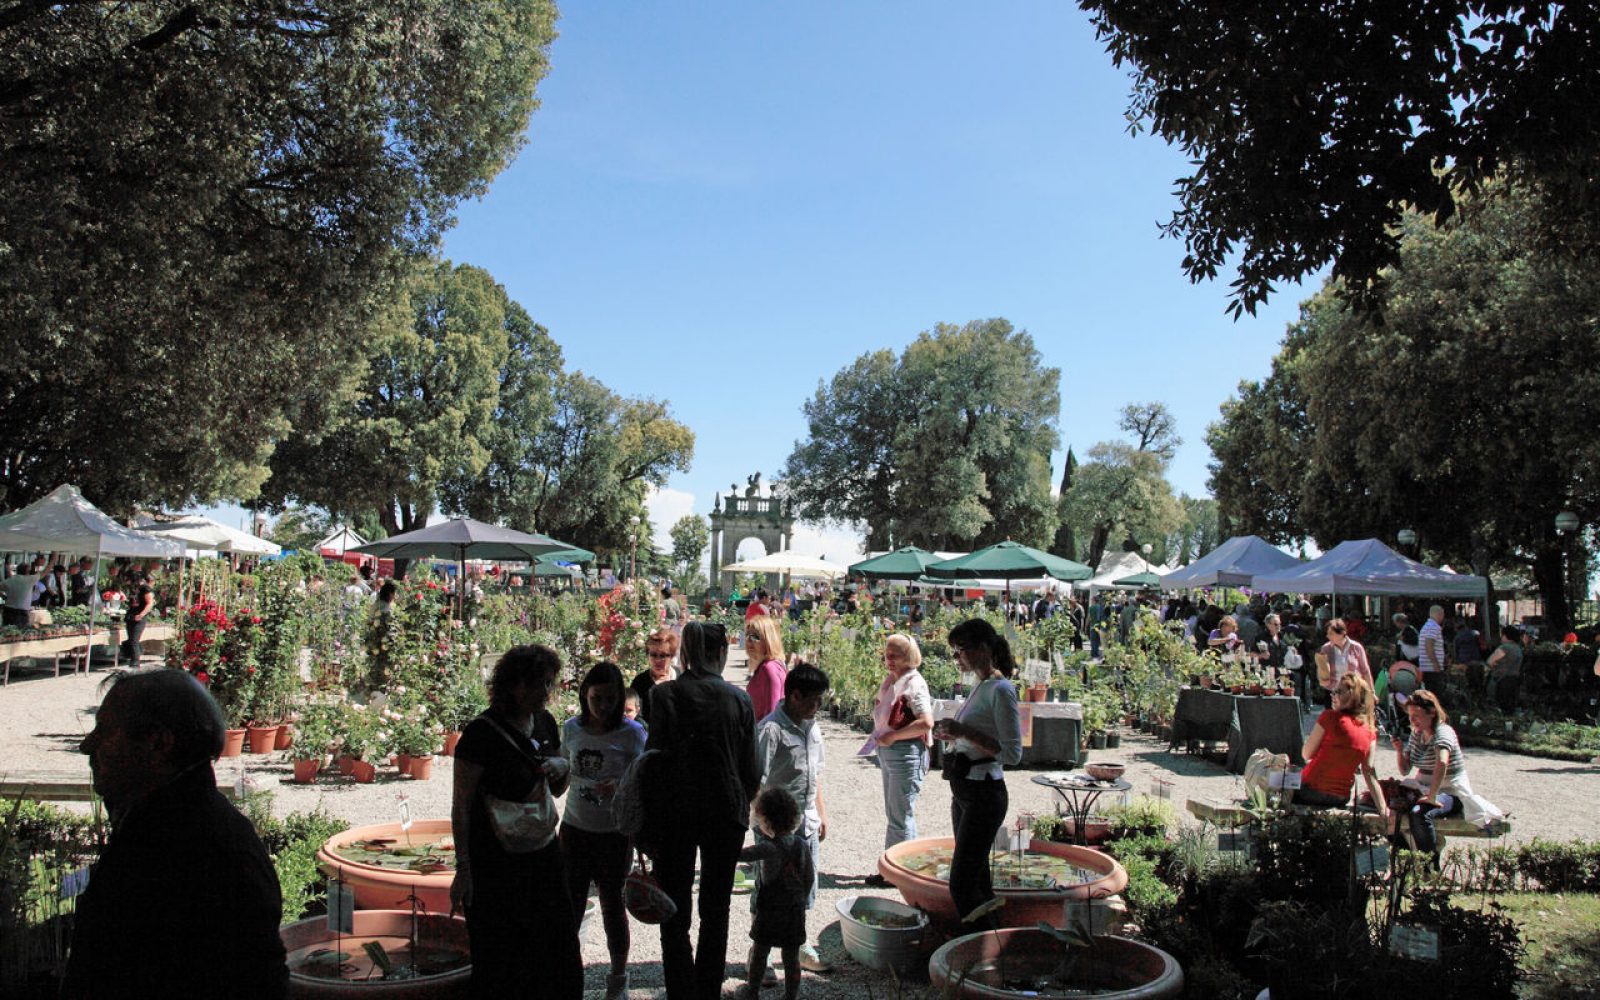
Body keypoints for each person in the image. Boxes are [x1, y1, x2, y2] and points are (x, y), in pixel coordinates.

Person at [66, 669, 288, 999]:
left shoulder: (182, 847)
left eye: (105, 730)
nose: (87, 745)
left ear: (159, 743)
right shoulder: (179, 824)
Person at [449, 644, 581, 998]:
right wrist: (464, 867)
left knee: (555, 943)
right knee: (501, 953)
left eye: (549, 684)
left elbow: (556, 789)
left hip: (542, 854)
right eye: (538, 684)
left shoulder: (545, 723)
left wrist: (562, 768)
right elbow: (461, 805)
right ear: (513, 685)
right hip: (495, 862)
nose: (546, 694)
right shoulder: (480, 734)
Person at [646, 621, 762, 1000]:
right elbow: (752, 766)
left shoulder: (663, 697)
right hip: (724, 811)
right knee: (717, 907)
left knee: (674, 908)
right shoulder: (738, 698)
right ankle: (708, 989)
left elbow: (654, 760)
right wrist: (741, 799)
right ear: (719, 653)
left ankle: (681, 989)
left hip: (674, 812)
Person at [562, 662, 647, 1000]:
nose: (603, 706)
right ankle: (569, 974)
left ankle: (618, 978)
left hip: (613, 833)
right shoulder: (570, 729)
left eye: (611, 699)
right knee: (571, 905)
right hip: (574, 829)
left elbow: (644, 778)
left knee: (613, 905)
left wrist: (623, 785)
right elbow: (561, 771)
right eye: (597, 698)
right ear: (585, 695)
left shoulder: (633, 733)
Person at [933, 618, 1023, 923]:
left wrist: (964, 731)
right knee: (978, 878)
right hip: (965, 788)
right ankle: (991, 942)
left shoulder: (1001, 689)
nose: (958, 658)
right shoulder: (981, 685)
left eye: (961, 650)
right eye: (955, 652)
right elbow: (975, 734)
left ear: (984, 648)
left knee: (961, 882)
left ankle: (978, 946)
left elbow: (1012, 753)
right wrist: (953, 734)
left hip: (985, 792)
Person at [753, 663, 832, 976]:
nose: (819, 707)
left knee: (802, 888)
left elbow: (816, 773)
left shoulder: (812, 727)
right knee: (768, 888)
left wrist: (821, 813)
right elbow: (756, 784)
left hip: (807, 822)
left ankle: (799, 944)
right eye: (814, 700)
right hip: (776, 826)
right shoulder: (771, 730)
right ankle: (761, 952)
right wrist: (766, 829)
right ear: (795, 695)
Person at [1389, 689, 1500, 856]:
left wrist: (1432, 796)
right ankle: (1407, 858)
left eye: (1416, 715)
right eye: (1410, 715)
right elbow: (1405, 770)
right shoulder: (1416, 734)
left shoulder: (1443, 732)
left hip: (1450, 792)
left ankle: (1429, 866)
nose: (1412, 720)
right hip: (1422, 787)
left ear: (1431, 713)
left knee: (1419, 813)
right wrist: (1399, 751)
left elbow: (1442, 761)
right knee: (1389, 808)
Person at [739, 787, 815, 1000]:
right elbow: (809, 877)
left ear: (766, 821)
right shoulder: (801, 845)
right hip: (794, 911)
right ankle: (791, 994)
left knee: (760, 952)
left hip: (770, 910)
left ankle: (752, 991)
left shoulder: (768, 848)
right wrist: (800, 898)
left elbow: (742, 855)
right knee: (791, 957)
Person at [868, 634, 935, 858]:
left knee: (900, 815)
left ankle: (895, 867)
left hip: (906, 752)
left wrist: (894, 736)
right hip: (891, 751)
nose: (888, 660)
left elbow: (926, 722)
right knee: (897, 813)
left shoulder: (914, 684)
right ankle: (903, 863)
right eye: (886, 655)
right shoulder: (893, 680)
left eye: (894, 655)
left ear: (908, 656)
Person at [1295, 673, 1389, 819]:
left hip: (1311, 790)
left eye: (1338, 691)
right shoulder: (1370, 730)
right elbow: (1369, 771)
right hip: (1341, 796)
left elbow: (1306, 754)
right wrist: (1382, 807)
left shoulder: (1329, 717)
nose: (1333, 695)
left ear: (1353, 696)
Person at [1314, 619, 1372, 705]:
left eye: (1331, 634)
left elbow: (1365, 671)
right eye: (1327, 633)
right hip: (1333, 693)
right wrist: (1322, 679)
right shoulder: (1326, 649)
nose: (1328, 636)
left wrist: (1371, 692)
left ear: (1342, 633)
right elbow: (1321, 668)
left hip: (1354, 692)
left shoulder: (1356, 647)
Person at [631, 627, 680, 725]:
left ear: (672, 656)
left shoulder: (681, 678)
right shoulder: (640, 682)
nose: (657, 660)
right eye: (653, 655)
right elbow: (637, 717)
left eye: (663, 656)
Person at [744, 614, 788, 720]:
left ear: (768, 640)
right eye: (747, 635)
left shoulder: (768, 669)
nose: (749, 640)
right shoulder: (770, 666)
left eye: (755, 636)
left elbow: (772, 713)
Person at [1486, 624, 1524, 713]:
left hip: (1500, 681)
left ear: (1506, 636)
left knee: (1497, 706)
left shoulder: (1504, 648)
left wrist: (1494, 666)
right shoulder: (1518, 648)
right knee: (1510, 707)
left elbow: (1490, 661)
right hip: (1514, 681)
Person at [120, 569, 155, 664]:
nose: (127, 582)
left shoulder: (145, 588)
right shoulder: (133, 588)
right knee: (131, 639)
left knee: (134, 640)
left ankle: (135, 663)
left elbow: (150, 603)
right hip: (131, 615)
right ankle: (133, 656)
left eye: (128, 579)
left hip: (140, 616)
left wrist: (141, 614)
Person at [1, 560, 41, 626]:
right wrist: (53, 558)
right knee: (20, 632)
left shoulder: (11, 580)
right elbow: (45, 572)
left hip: (8, 610)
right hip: (21, 612)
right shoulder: (29, 579)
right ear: (27, 571)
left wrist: (3, 596)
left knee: (7, 632)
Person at [1418, 605, 1447, 687]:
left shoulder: (1427, 626)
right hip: (1431, 668)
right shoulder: (1433, 627)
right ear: (1440, 614)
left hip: (1426, 667)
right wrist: (1436, 664)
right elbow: (1429, 646)